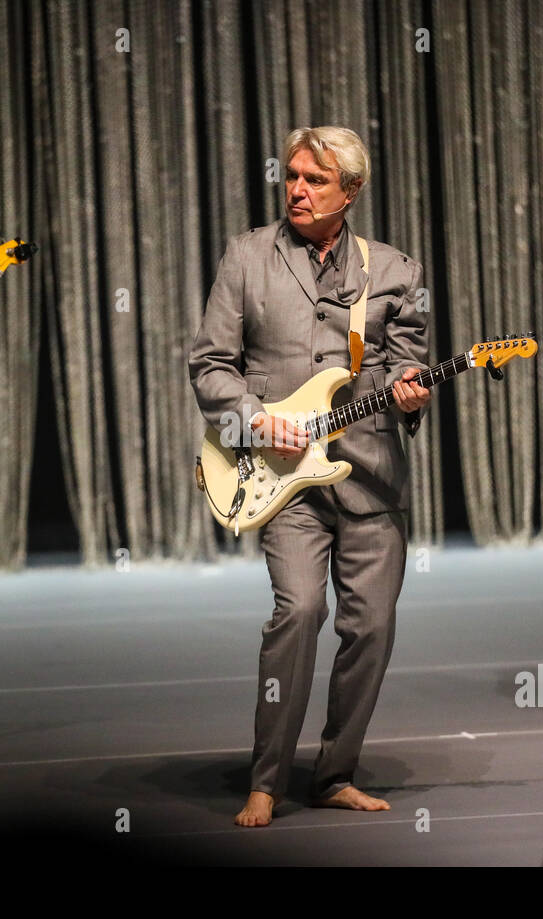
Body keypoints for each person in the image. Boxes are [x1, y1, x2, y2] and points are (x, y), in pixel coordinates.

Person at [189, 126, 430, 826]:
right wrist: (259, 421)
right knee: (298, 613)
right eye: (292, 175)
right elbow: (210, 365)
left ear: (350, 190)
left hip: (371, 473)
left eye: (314, 180)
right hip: (281, 473)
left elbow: (404, 367)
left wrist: (413, 391)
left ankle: (334, 773)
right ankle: (266, 778)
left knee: (373, 627)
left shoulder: (392, 269)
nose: (296, 188)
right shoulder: (248, 256)